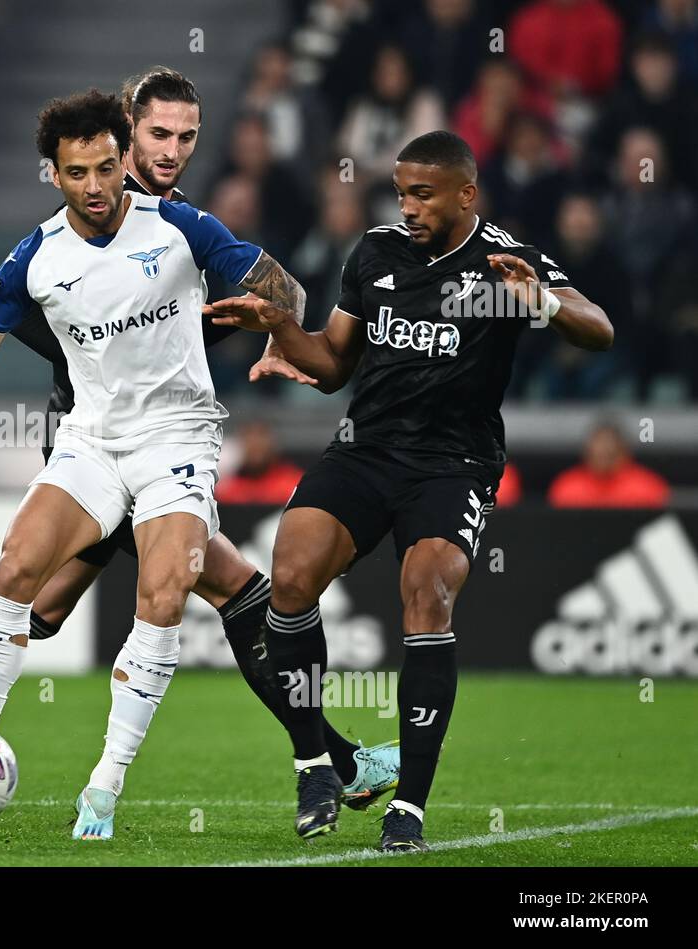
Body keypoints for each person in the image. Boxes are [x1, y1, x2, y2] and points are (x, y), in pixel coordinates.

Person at [0, 69, 398, 828]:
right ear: (126, 131)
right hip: (90, 434)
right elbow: (22, 331)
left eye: (186, 136)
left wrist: (270, 324)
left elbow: (244, 301)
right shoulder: (61, 234)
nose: (172, 150)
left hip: (160, 436)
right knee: (233, 592)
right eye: (158, 135)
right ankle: (333, 765)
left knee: (43, 610)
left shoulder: (178, 223)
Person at [207, 130, 612, 850]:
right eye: (401, 192)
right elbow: (332, 363)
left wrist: (541, 301)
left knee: (427, 593)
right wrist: (278, 326)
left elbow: (599, 329)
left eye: (422, 194)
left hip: (453, 463)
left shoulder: (502, 261)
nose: (408, 206)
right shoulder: (375, 253)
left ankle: (410, 809)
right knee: (291, 575)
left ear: (466, 194)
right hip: (365, 450)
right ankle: (316, 767)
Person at [547, 422, 670, 508]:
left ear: (624, 452)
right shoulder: (568, 487)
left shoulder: (647, 487)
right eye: (597, 455)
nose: (603, 460)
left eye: (609, 455)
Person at [216, 420, 304, 505]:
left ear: (274, 443)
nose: (255, 444)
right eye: (248, 436)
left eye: (261, 436)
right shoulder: (226, 488)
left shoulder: (295, 484)